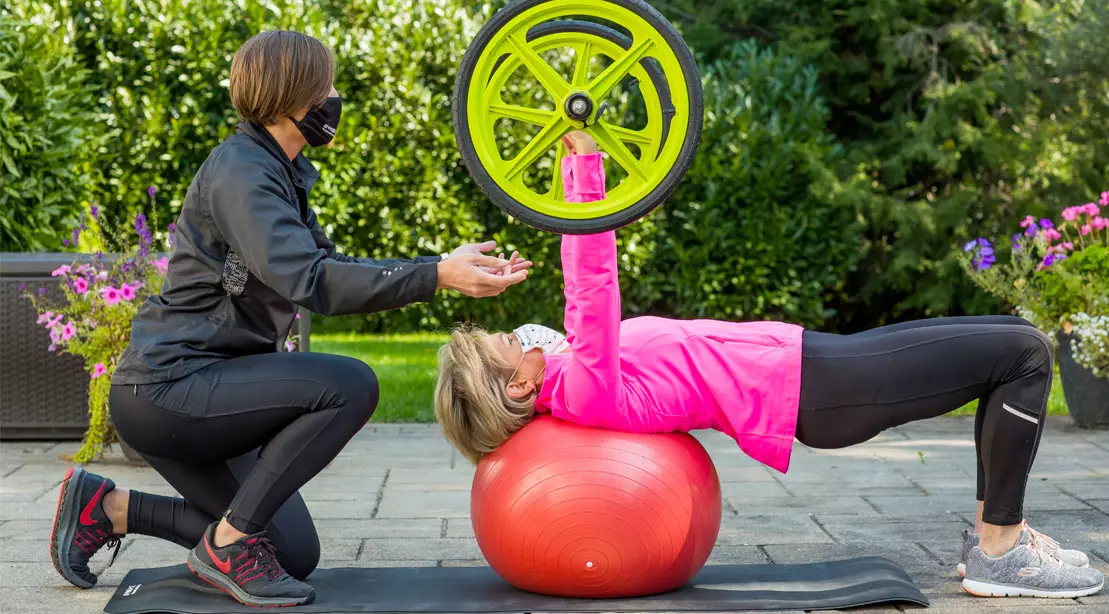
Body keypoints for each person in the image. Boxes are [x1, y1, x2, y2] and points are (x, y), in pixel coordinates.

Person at [434, 131, 1104, 600]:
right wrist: (582, 178)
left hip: (814, 368)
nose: (520, 332)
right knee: (1023, 356)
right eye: (507, 340)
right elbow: (589, 289)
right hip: (817, 392)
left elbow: (583, 312)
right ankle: (1000, 548)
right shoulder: (583, 386)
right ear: (519, 383)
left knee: (1015, 340)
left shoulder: (576, 380)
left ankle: (996, 541)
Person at [49, 30, 530, 608]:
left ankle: (107, 508)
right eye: (324, 86)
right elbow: (310, 281)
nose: (333, 96)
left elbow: (327, 264)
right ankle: (225, 547)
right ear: (292, 96)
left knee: (291, 552)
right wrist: (438, 276)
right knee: (350, 385)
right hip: (168, 388)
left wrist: (440, 267)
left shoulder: (280, 171)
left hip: (212, 389)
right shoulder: (244, 175)